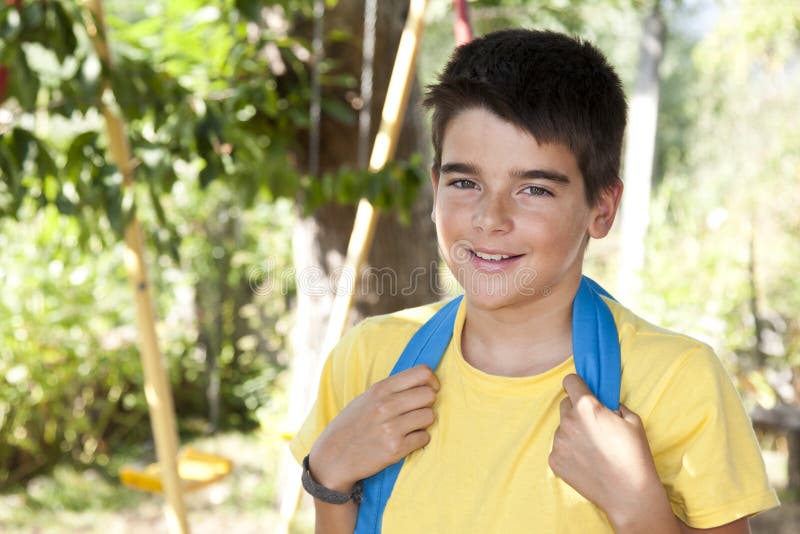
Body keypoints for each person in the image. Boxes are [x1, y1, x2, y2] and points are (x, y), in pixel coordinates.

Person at [289, 29, 778, 533]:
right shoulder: (370, 359)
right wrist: (330, 477)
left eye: (534, 189)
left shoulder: (675, 382)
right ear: (435, 189)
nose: (490, 218)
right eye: (465, 182)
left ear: (602, 208)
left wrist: (636, 507)